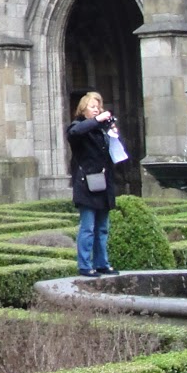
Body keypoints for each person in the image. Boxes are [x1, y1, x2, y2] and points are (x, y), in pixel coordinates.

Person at [66, 91, 119, 277]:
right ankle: (85, 266)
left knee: (102, 228)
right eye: (92, 107)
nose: (97, 110)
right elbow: (74, 132)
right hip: (86, 185)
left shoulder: (101, 130)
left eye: (98, 107)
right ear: (83, 109)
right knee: (88, 228)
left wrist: (112, 133)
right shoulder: (77, 127)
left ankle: (102, 263)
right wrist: (97, 121)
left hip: (103, 184)